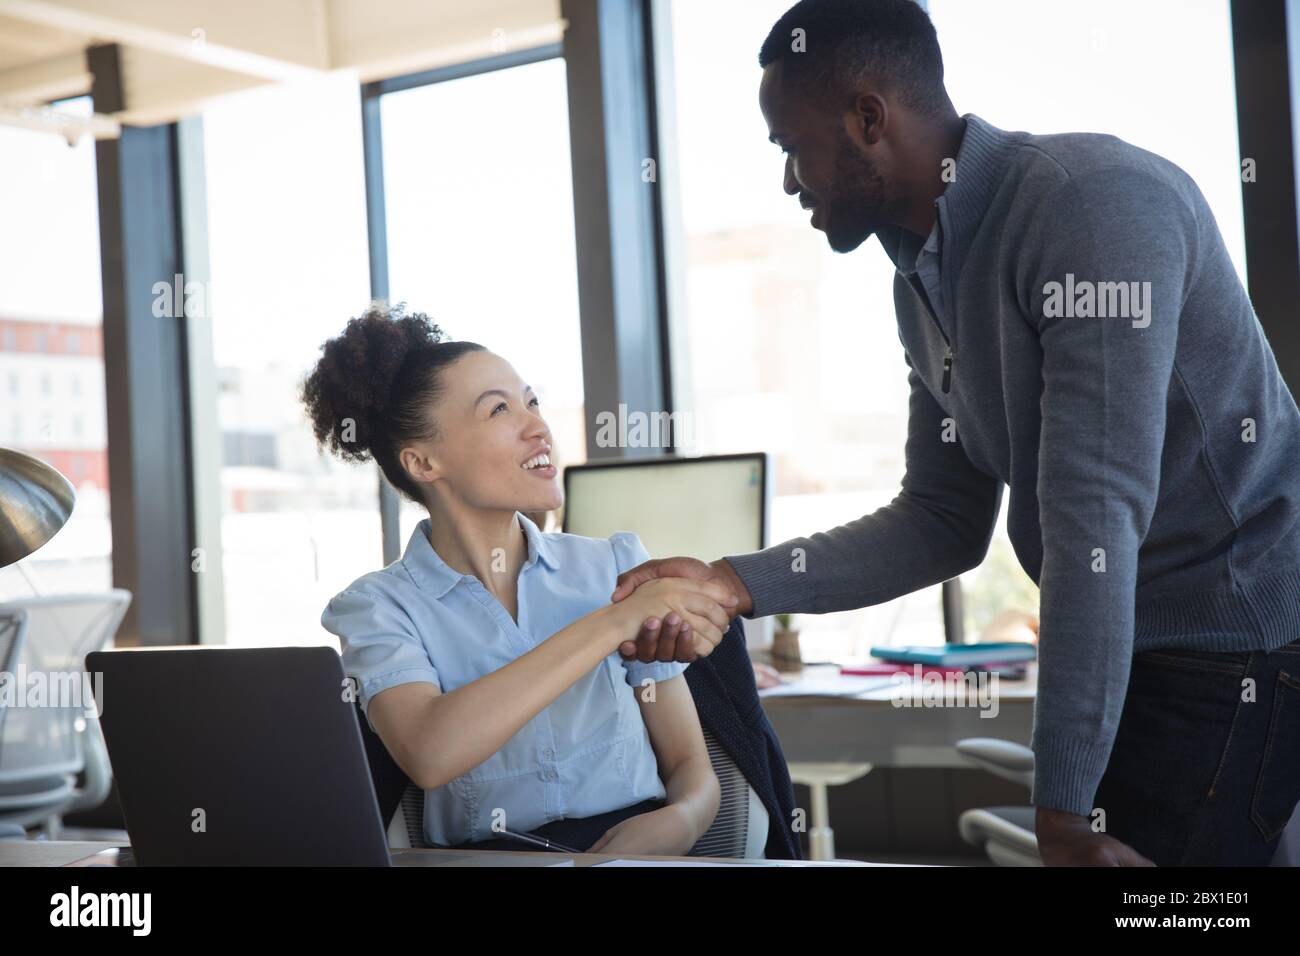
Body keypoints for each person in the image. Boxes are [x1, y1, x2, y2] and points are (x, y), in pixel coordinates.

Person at [612, 0, 1300, 866]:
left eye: (792, 146)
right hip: (1146, 651)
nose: (790, 181)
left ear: (868, 118)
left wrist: (1063, 812)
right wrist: (731, 582)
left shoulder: (1088, 208)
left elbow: (1095, 518)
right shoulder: (921, 282)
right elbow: (939, 518)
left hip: (1228, 643)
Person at [305, 304, 728, 854]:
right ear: (424, 463)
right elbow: (430, 752)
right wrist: (612, 623)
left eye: (532, 402)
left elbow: (691, 766)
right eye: (500, 410)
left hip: (637, 849)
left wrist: (683, 821)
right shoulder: (377, 608)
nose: (538, 427)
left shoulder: (614, 566)